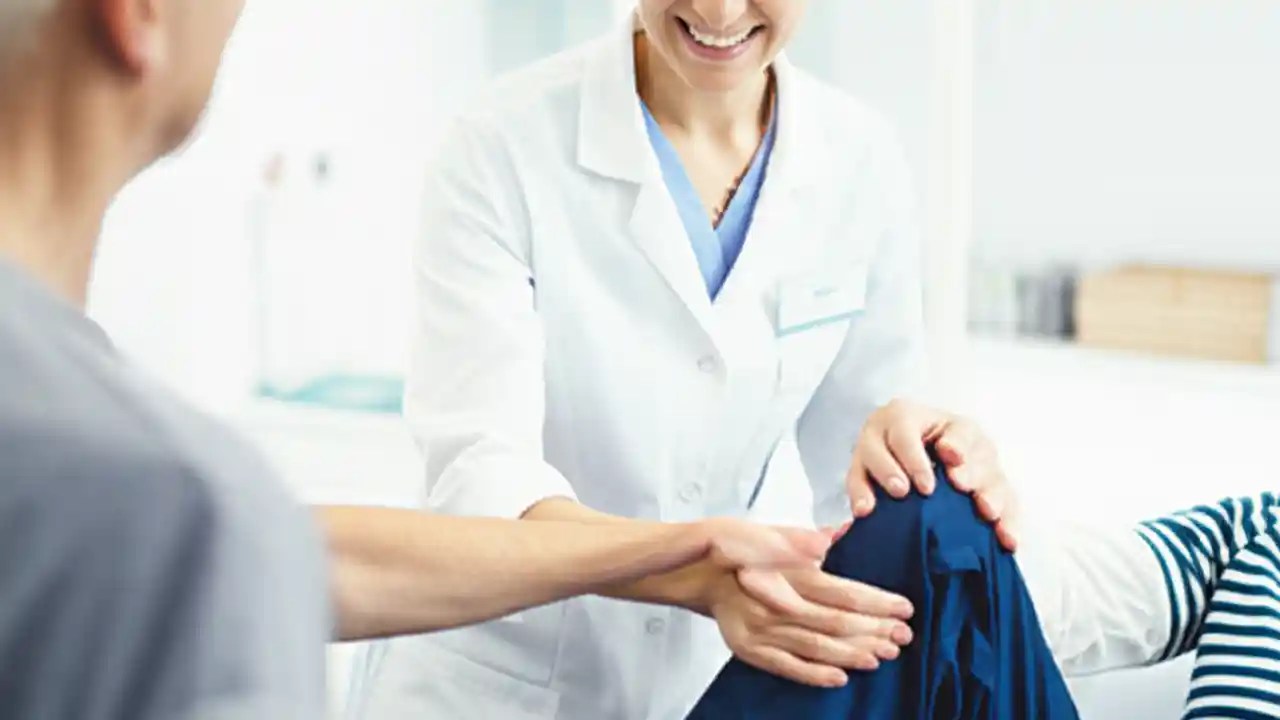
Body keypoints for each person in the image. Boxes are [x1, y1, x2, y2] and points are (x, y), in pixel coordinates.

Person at [0, 0, 850, 716]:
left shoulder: (147, 496)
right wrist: (689, 559)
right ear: (135, 12)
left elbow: (311, 554)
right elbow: (255, 535)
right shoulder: (169, 515)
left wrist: (687, 553)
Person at [355, 1, 1021, 718]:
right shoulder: (502, 144)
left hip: (702, 680)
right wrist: (693, 568)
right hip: (498, 680)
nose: (718, 10)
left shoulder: (860, 158)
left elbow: (864, 463)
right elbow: (480, 478)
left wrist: (920, 451)